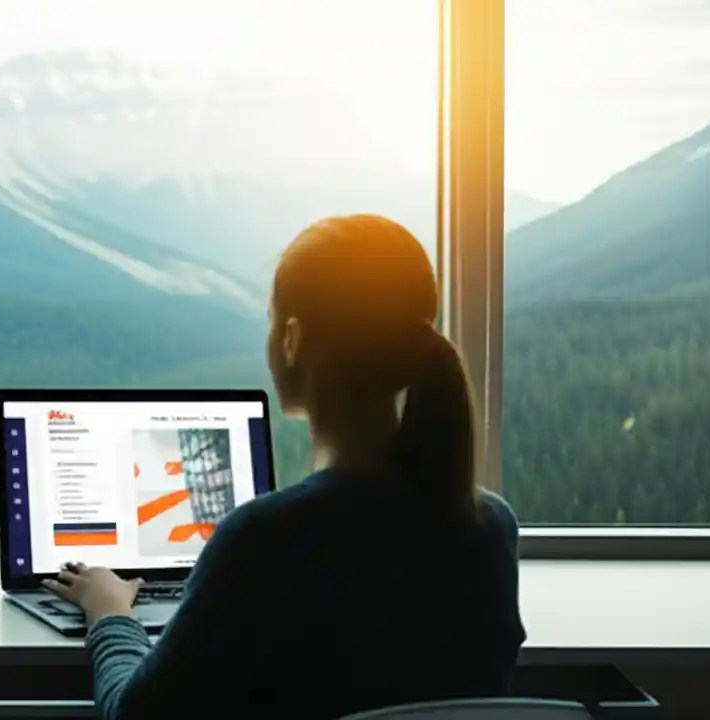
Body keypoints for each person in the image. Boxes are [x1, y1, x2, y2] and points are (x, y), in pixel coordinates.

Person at [45, 214, 526, 719]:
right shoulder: (489, 527)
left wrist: (110, 613)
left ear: (292, 339)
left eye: (272, 320)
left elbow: (135, 718)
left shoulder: (266, 541)